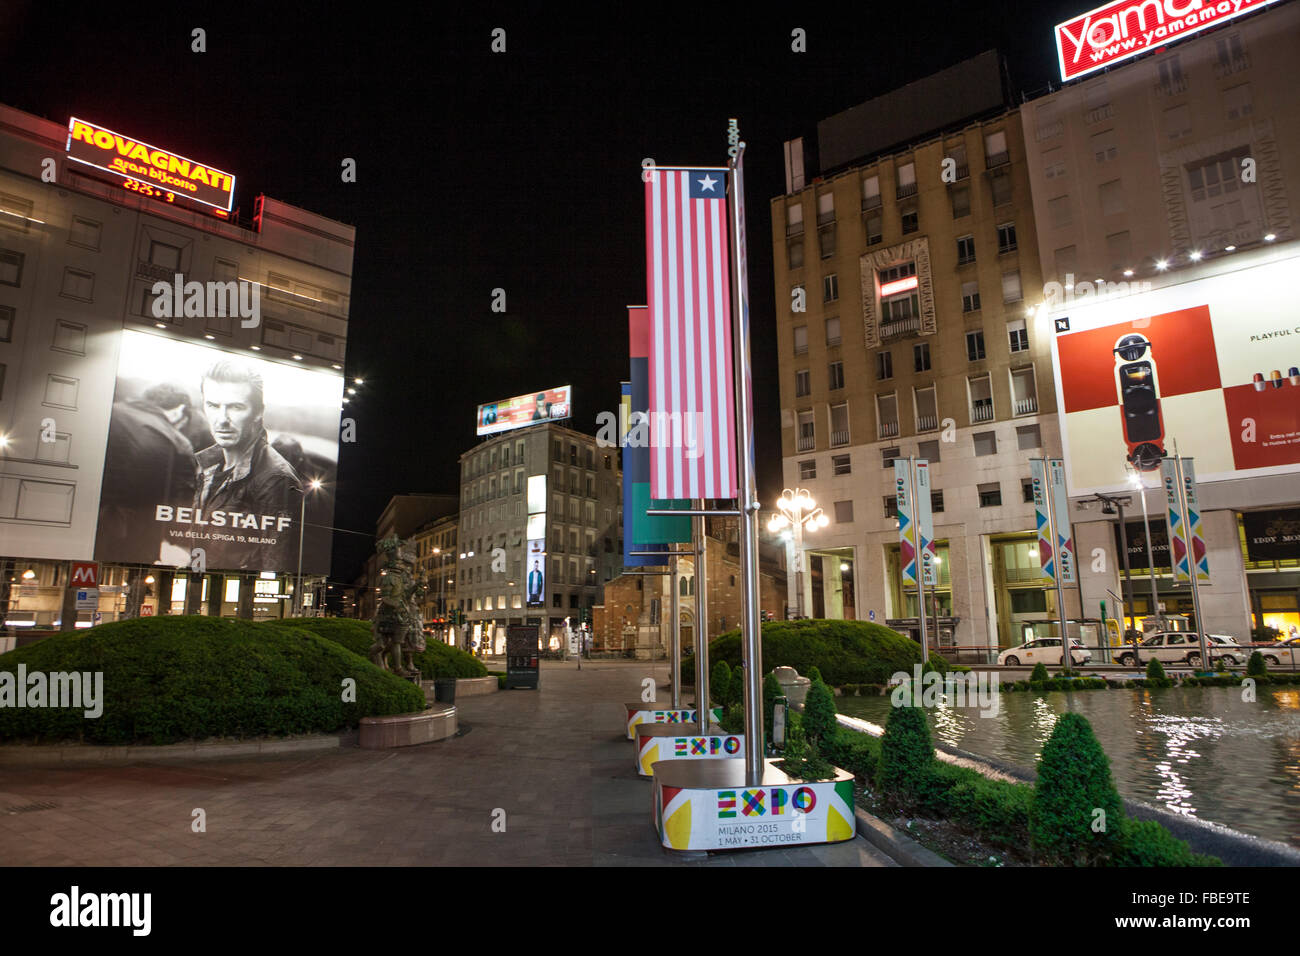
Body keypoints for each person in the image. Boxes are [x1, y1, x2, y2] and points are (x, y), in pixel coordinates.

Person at [192, 360, 304, 567]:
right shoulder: (208, 465)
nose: (222, 419)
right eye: (213, 405)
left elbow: (276, 566)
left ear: (258, 411)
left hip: (239, 594)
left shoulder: (275, 479)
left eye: (235, 407)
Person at [96, 383, 198, 560]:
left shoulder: (106, 412)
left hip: (85, 529)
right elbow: (181, 509)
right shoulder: (178, 443)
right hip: (135, 541)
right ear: (180, 410)